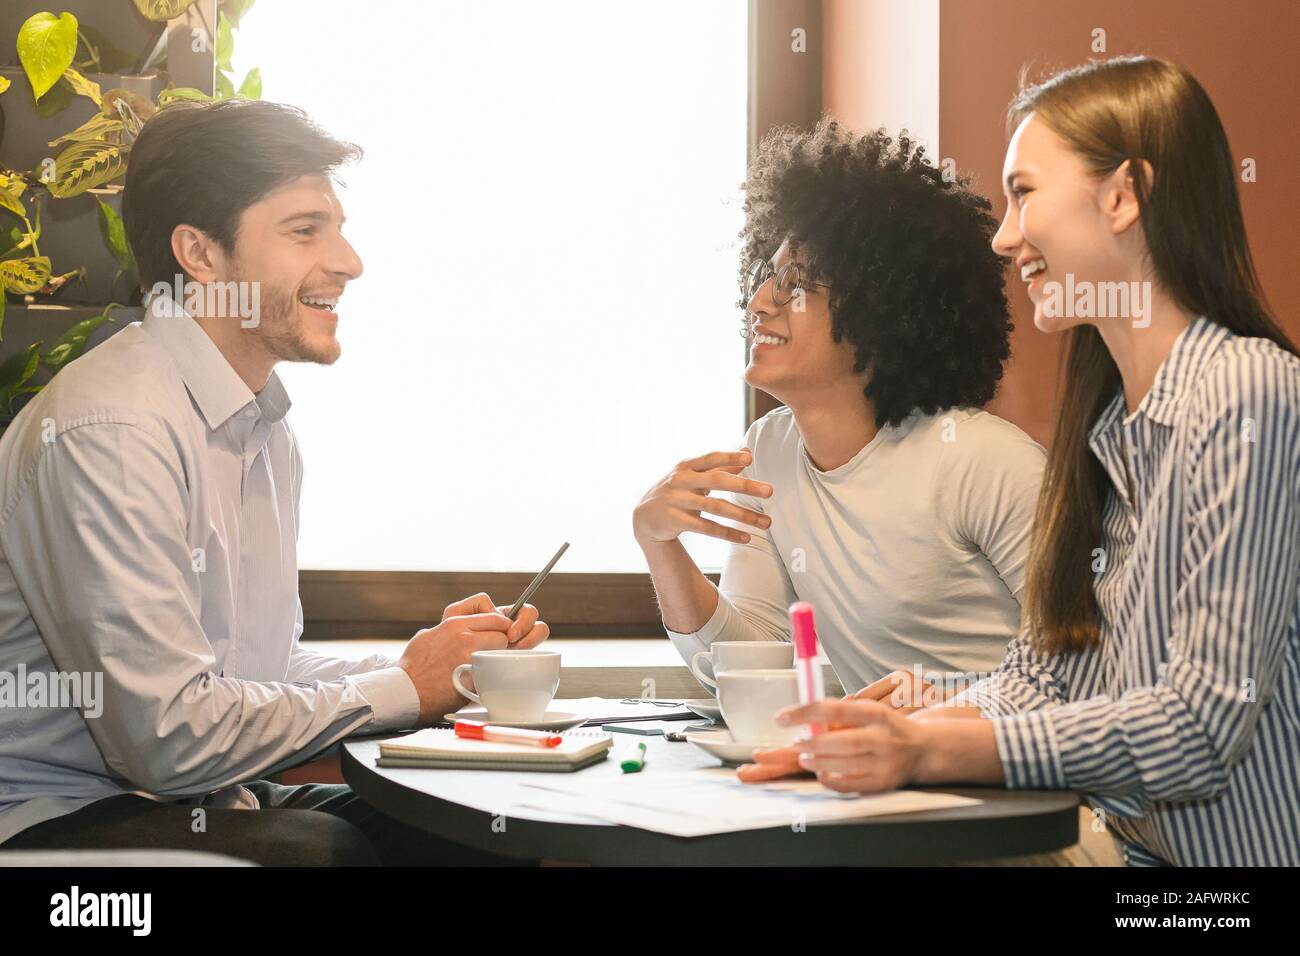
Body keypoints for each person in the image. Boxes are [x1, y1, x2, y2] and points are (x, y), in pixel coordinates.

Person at [742, 57, 1300, 867]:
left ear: (1124, 195)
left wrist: (926, 753)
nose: (1005, 237)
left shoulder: (1247, 394)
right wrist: (883, 736)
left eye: (1024, 193)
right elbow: (1041, 681)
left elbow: (1201, 730)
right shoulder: (1108, 423)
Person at [0, 100, 548, 865]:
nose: (349, 261)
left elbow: (262, 672)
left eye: (339, 228)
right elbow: (165, 739)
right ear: (200, 253)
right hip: (62, 823)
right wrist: (402, 689)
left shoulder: (263, 427)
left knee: (471, 820)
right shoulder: (114, 433)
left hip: (203, 800)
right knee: (323, 852)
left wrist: (430, 664)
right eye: (305, 230)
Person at [634, 118, 1044, 697]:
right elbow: (744, 664)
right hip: (892, 778)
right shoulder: (769, 452)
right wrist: (660, 545)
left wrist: (949, 713)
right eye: (765, 277)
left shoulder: (985, 462)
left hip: (1013, 778)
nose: (757, 304)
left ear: (883, 315)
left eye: (796, 285)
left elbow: (1097, 664)